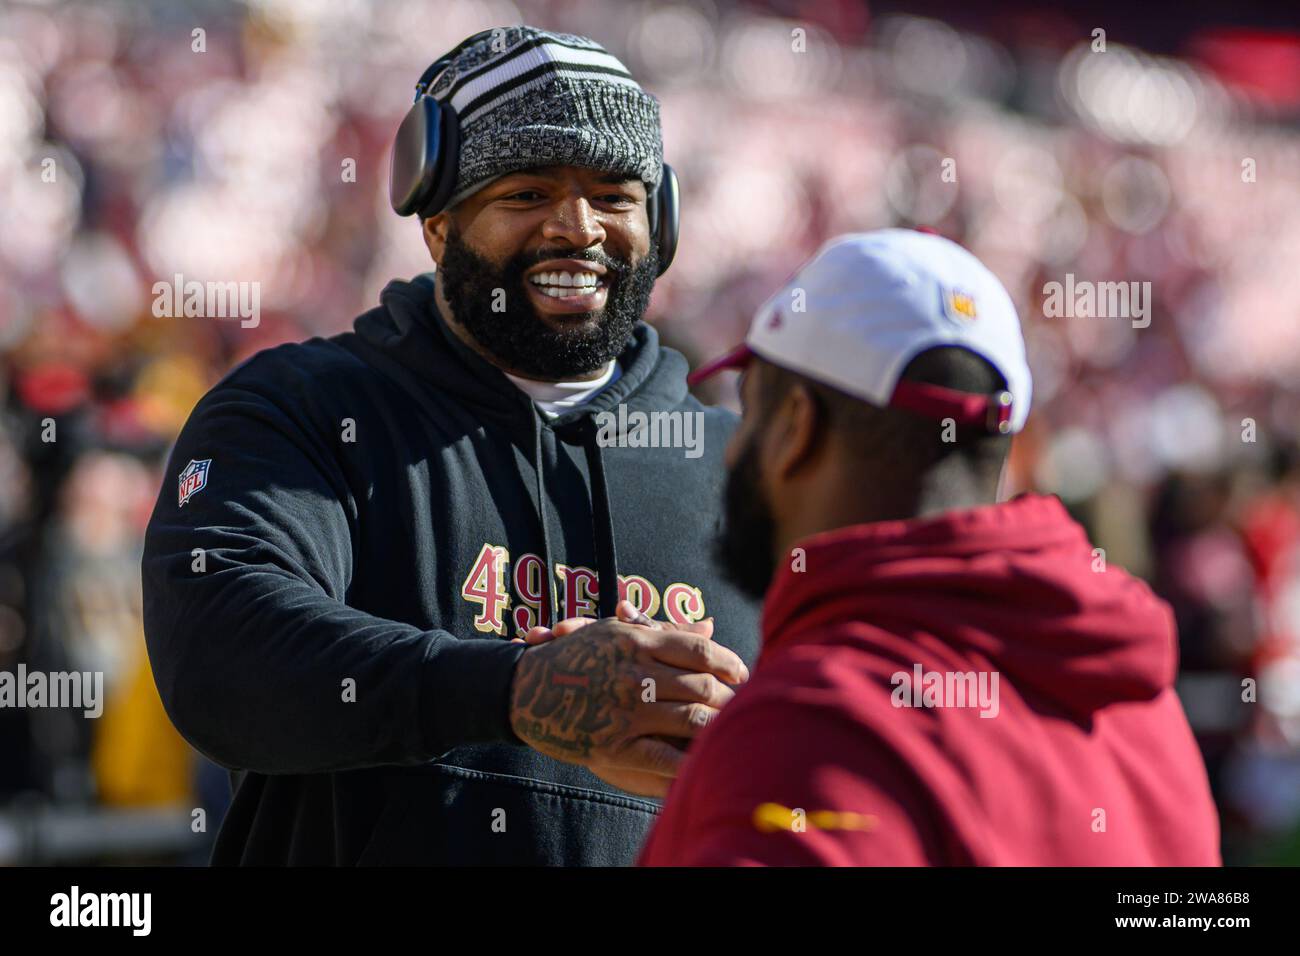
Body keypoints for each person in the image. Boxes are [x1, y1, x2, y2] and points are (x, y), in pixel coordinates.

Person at [142, 26, 758, 866]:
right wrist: (513, 692)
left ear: (664, 222)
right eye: (527, 193)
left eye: (614, 195)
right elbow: (219, 656)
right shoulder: (299, 409)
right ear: (436, 223)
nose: (576, 228)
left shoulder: (745, 470)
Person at [639, 229, 1222, 865]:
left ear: (795, 425)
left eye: (749, 410)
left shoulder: (814, 727)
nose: (730, 449)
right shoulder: (1142, 712)